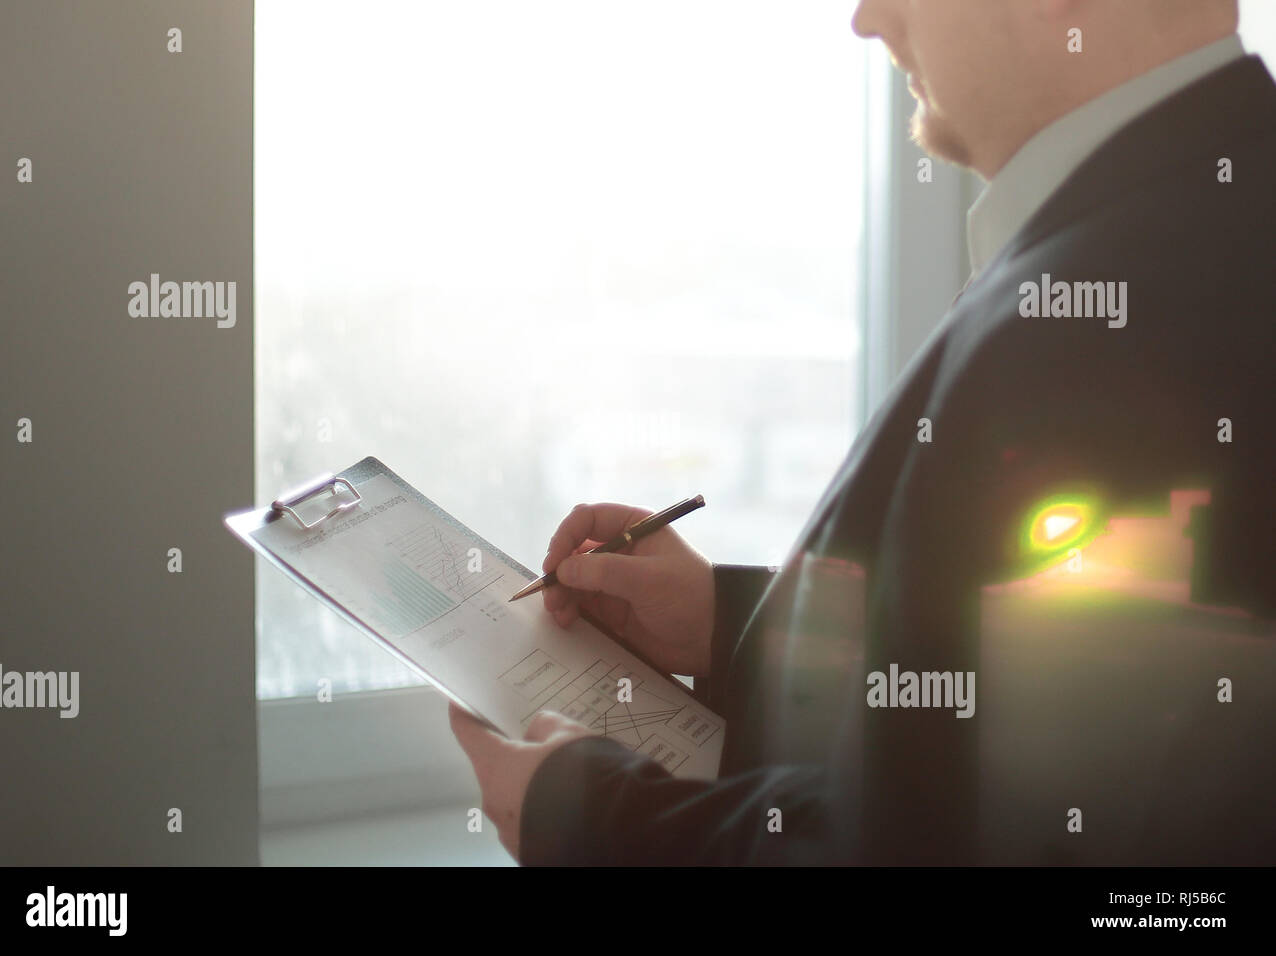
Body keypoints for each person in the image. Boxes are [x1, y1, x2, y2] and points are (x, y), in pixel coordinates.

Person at [451, 0, 1276, 865]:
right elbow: (990, 729)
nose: (868, 18)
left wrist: (599, 825)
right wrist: (738, 635)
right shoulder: (1190, 232)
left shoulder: (1120, 316)